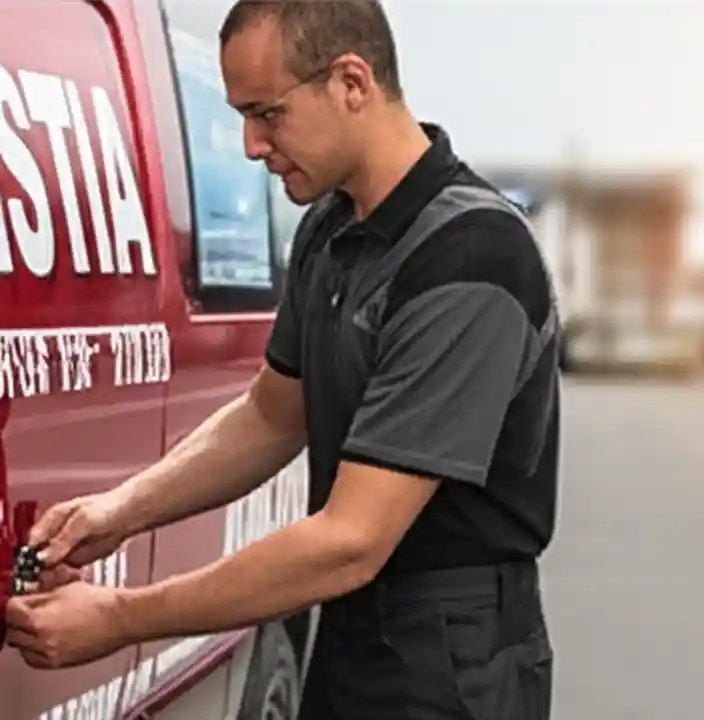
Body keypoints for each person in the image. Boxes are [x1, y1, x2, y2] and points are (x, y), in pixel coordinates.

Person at [4, 1, 561, 718]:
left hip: (454, 660)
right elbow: (271, 414)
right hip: (355, 631)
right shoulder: (332, 227)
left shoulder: (470, 257)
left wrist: (118, 618)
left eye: (267, 114)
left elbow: (350, 540)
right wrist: (121, 511)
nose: (250, 145)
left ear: (352, 83)